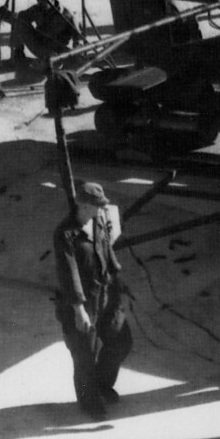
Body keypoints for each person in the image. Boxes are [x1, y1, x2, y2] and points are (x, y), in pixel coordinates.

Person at [53, 180, 133, 420]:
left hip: (107, 293)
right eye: (95, 206)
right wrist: (79, 310)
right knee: (84, 355)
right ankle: (89, 402)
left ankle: (102, 383)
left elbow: (107, 250)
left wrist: (118, 279)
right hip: (82, 302)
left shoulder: (97, 221)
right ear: (82, 205)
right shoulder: (65, 233)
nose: (100, 210)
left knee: (121, 342)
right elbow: (69, 273)